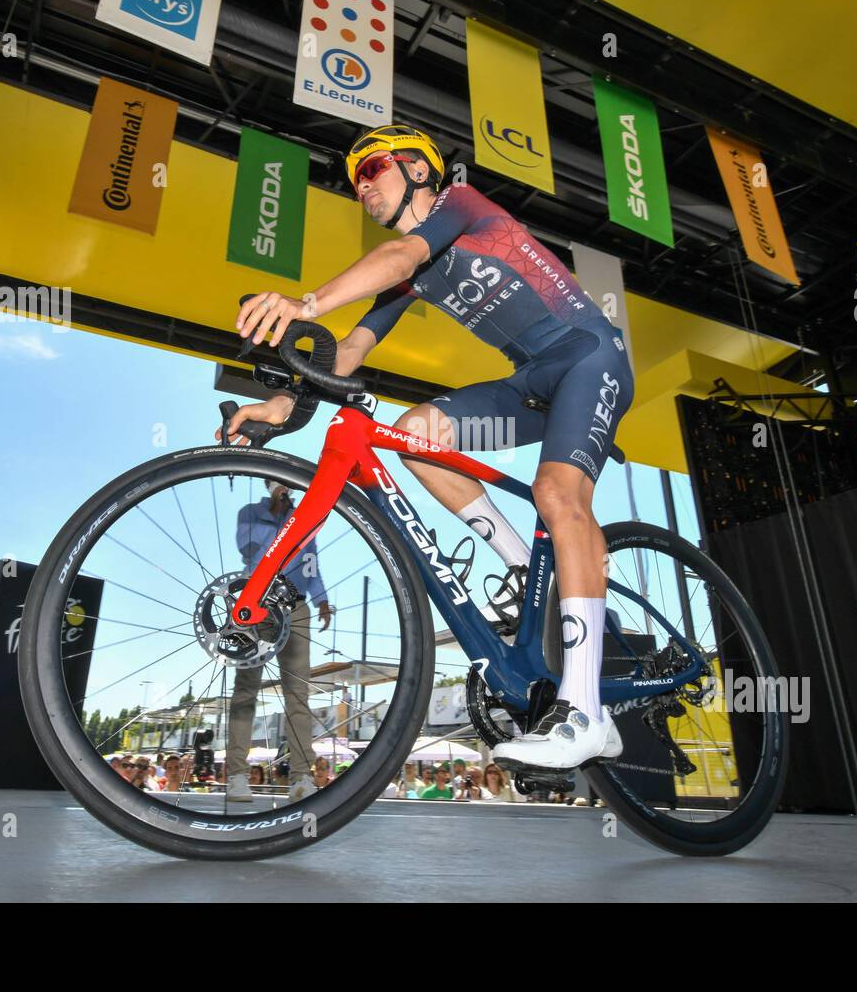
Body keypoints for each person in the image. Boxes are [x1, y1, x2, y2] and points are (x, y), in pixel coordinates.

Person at [227, 124, 631, 773]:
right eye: (353, 177)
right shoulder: (408, 271)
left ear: (419, 169)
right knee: (415, 434)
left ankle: (585, 711)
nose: (361, 185)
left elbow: (400, 258)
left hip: (589, 358)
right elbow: (346, 352)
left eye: (374, 167)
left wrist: (305, 300)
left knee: (558, 493)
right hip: (531, 383)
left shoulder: (464, 208)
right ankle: (526, 562)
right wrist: (279, 409)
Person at [227, 478, 334, 805]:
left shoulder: (304, 516)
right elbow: (246, 548)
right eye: (277, 485)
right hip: (258, 599)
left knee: (298, 692)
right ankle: (236, 776)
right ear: (269, 483)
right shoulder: (251, 512)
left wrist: (322, 600)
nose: (284, 490)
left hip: (296, 604)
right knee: (247, 687)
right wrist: (277, 516)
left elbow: (311, 563)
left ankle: (301, 776)